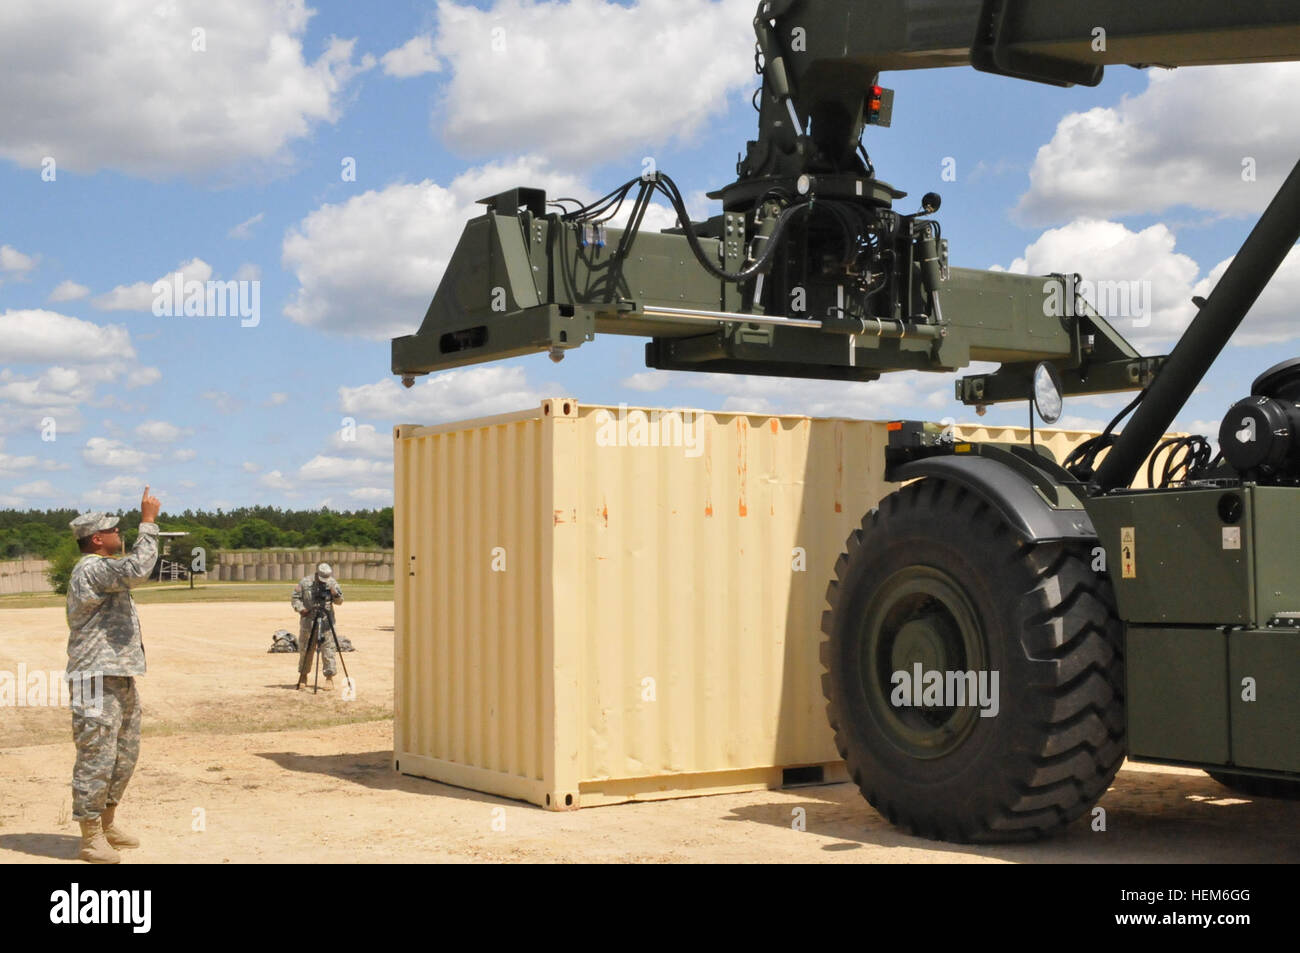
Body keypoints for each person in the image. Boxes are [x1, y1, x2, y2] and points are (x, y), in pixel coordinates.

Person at [65, 485, 161, 864]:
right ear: (97, 539)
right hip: (94, 677)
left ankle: (106, 824)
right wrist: (148, 523)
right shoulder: (92, 569)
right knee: (96, 756)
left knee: (123, 753)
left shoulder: (102, 570)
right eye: (114, 531)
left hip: (117, 674)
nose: (119, 536)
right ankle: (90, 838)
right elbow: (138, 569)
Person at [292, 562, 344, 691]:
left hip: (327, 622)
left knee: (328, 650)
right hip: (309, 621)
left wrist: (334, 593)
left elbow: (340, 601)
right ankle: (303, 675)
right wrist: (301, 609)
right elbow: (295, 598)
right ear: (317, 574)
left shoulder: (332, 582)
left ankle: (329, 678)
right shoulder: (305, 582)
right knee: (306, 649)